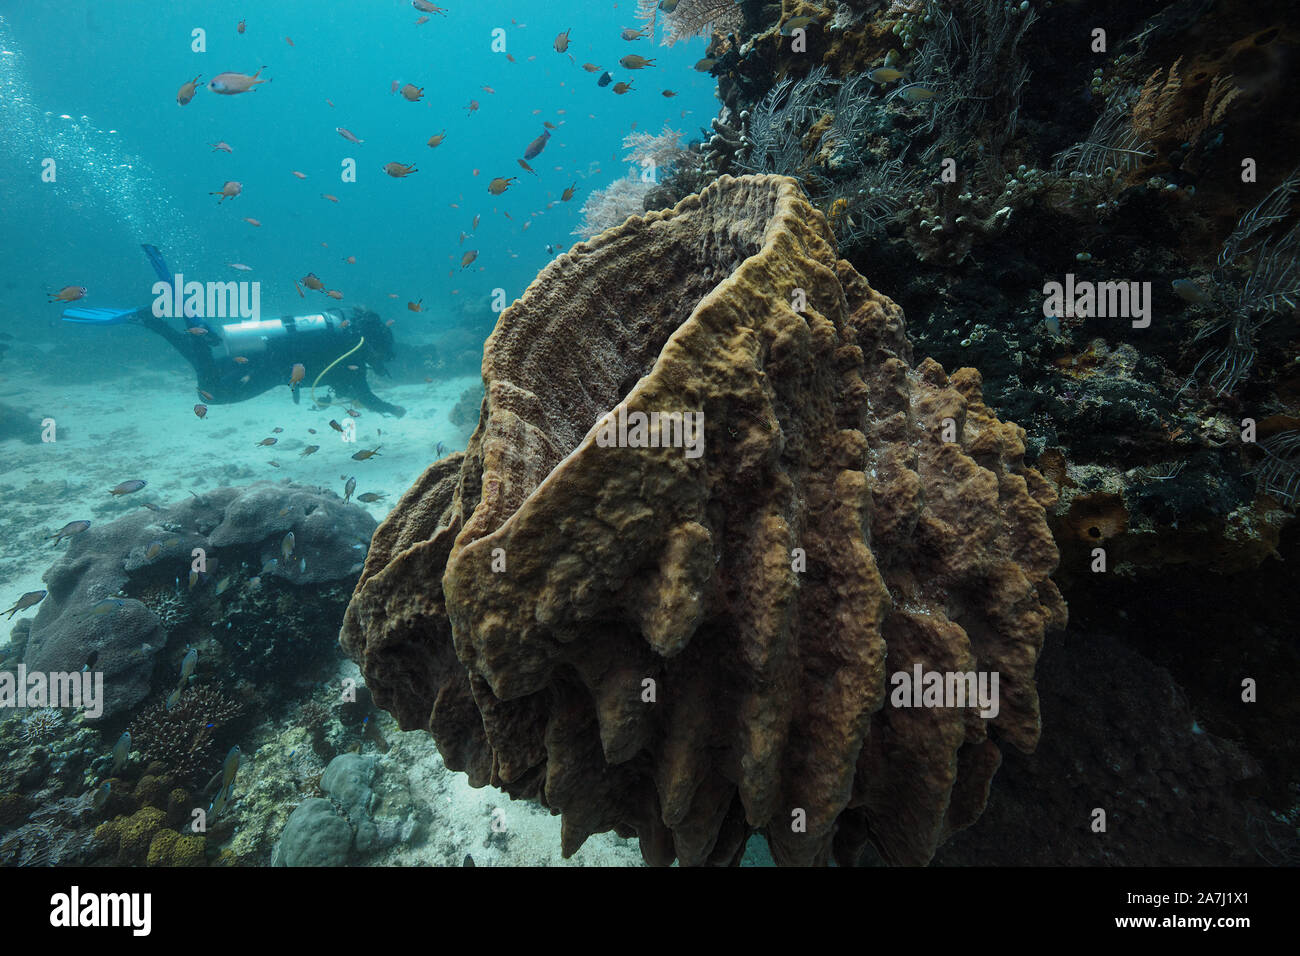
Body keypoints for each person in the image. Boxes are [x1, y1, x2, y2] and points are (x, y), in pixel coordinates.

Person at [61, 244, 406, 416]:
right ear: (374, 346)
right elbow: (365, 396)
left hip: (266, 348)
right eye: (380, 355)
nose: (378, 362)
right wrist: (396, 411)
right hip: (272, 366)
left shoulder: (346, 342)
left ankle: (157, 321)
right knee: (215, 393)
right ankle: (172, 321)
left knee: (208, 374)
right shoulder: (353, 355)